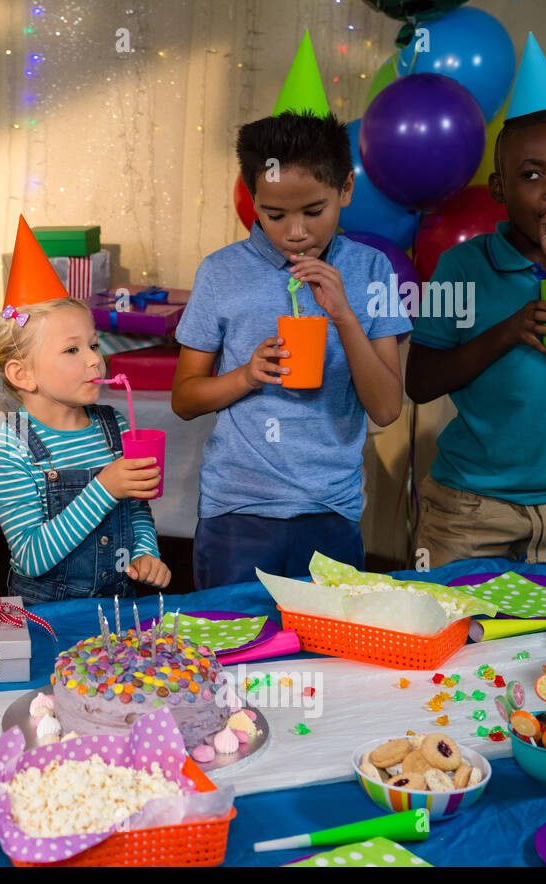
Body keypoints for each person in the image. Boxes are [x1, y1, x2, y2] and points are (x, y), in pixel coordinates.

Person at [405, 34, 546, 567]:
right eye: (532, 175)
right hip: (469, 508)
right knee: (457, 634)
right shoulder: (464, 266)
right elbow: (421, 381)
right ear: (500, 188)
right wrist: (509, 331)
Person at [172, 111, 410, 589]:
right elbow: (184, 399)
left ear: (345, 190)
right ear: (253, 201)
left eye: (313, 211)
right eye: (275, 215)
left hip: (330, 509)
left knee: (327, 658)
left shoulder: (371, 270)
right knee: (234, 652)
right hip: (236, 510)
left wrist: (343, 314)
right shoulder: (221, 272)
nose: (295, 232)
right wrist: (247, 374)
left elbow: (386, 408)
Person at [0, 216, 170, 603]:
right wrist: (105, 486)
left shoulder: (114, 426)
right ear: (23, 374)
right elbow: (32, 556)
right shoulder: (9, 446)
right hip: (49, 616)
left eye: (93, 344)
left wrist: (145, 552)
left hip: (117, 605)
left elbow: (135, 510)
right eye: (72, 350)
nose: (94, 361)